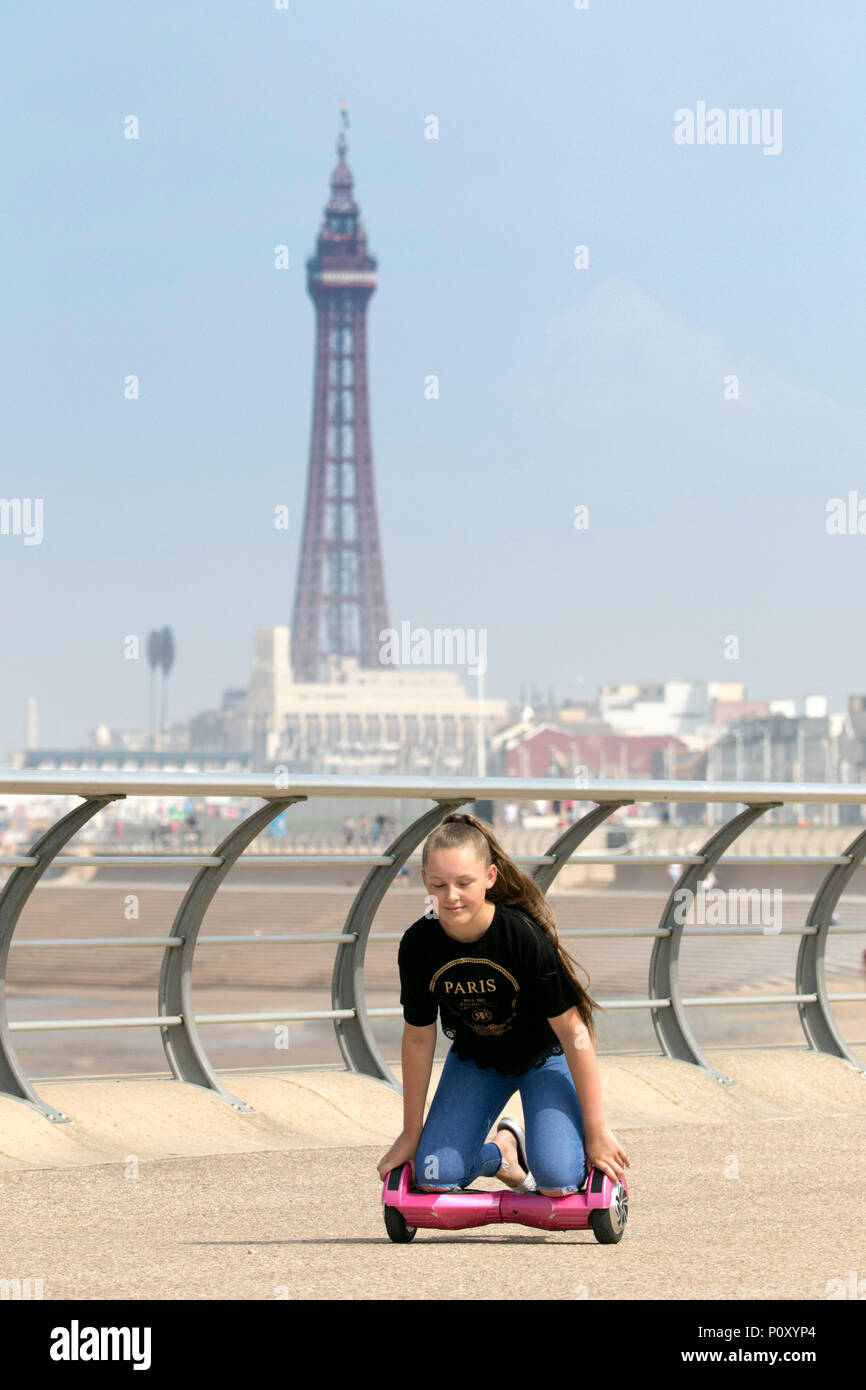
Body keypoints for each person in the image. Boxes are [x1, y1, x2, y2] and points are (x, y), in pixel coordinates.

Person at [377, 812, 630, 1197]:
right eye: (438, 885)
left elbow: (574, 1032)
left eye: (464, 883)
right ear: (424, 880)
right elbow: (417, 1039)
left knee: (558, 1180)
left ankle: (544, 1147)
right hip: (477, 1061)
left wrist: (597, 1131)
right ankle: (503, 1154)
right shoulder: (418, 945)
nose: (451, 896)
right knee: (432, 1175)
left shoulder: (521, 936)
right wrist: (411, 1133)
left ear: (490, 877)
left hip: (544, 1058)